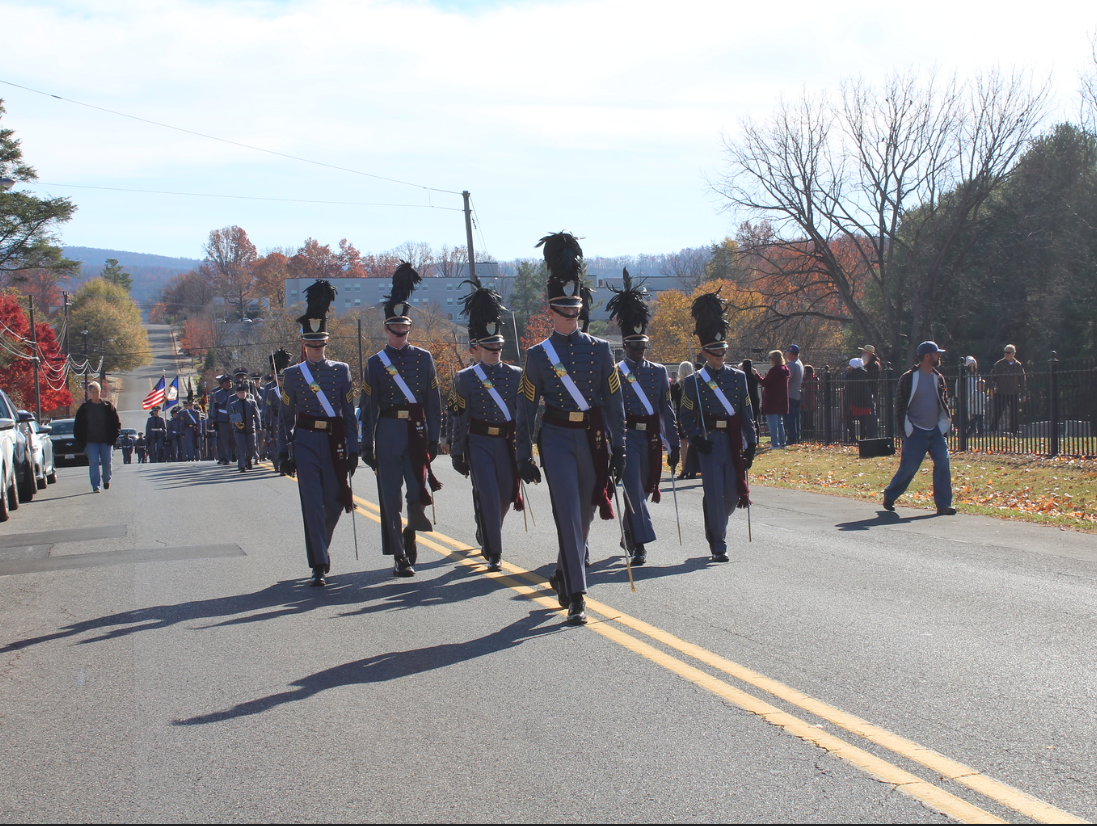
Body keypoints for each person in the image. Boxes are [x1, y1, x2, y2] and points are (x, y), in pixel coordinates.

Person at [516, 232, 625, 625]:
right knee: (565, 510)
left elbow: (612, 401)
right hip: (557, 438)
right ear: (551, 310)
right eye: (564, 310)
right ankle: (578, 594)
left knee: (584, 515)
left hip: (591, 439)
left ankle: (564, 572)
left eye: (575, 309)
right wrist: (523, 452)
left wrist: (621, 446)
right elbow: (526, 406)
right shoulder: (537, 355)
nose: (571, 316)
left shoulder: (599, 350)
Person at [359, 263, 442, 578]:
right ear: (386, 330)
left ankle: (410, 531)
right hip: (389, 431)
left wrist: (434, 438)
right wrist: (366, 444)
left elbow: (433, 403)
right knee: (390, 496)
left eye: (404, 331)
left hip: (417, 433)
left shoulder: (423, 358)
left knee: (415, 494)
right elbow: (368, 408)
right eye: (395, 332)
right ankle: (398, 555)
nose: (400, 336)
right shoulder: (375, 363)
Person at [278, 280, 360, 587]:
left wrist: (354, 447)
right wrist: (284, 452)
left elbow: (349, 414)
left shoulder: (341, 371)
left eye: (320, 345)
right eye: (311, 345)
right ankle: (318, 563)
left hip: (335, 441)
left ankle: (320, 547)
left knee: (336, 501)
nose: (316, 349)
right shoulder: (292, 375)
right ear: (304, 345)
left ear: (326, 344)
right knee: (311, 502)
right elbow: (284, 418)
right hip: (306, 442)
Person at [449, 274, 523, 573]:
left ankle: (487, 528)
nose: (496, 350)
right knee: (489, 495)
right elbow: (458, 417)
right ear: (478, 346)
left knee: (505, 493)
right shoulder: (465, 378)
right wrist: (457, 450)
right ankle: (494, 550)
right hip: (479, 442)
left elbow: (523, 415)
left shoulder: (516, 374)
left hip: (506, 443)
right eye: (490, 346)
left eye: (498, 345)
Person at [607, 269, 679, 566]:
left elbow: (666, 410)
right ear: (624, 345)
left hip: (650, 438)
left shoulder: (658, 372)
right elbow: (608, 410)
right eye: (634, 345)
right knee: (634, 490)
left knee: (646, 488)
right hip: (626, 437)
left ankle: (629, 534)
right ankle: (641, 545)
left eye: (643, 345)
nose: (639, 350)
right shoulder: (615, 372)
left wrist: (673, 446)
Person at [680, 292, 757, 562]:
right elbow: (686, 416)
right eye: (715, 353)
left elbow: (746, 412)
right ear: (704, 353)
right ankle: (719, 544)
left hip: (733, 441)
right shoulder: (694, 382)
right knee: (713, 493)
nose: (720, 357)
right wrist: (696, 438)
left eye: (723, 352)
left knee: (733, 493)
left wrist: (753, 443)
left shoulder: (738, 378)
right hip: (710, 441)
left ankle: (715, 527)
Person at [882, 341, 955, 515]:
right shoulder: (908, 377)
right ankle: (890, 494)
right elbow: (899, 405)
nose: (939, 357)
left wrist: (943, 425)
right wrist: (906, 430)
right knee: (909, 467)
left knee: (943, 464)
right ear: (927, 356)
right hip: (916, 431)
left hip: (935, 431)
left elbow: (942, 402)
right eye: (936, 354)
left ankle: (943, 504)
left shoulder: (938, 378)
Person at [73, 381, 121, 493]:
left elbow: (116, 423)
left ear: (100, 392)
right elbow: (78, 426)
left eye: (97, 392)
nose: (95, 394)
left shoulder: (108, 407)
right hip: (91, 441)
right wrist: (81, 441)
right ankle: (96, 485)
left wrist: (114, 437)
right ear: (89, 393)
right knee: (94, 462)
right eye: (93, 392)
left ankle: (106, 480)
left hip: (106, 441)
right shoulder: (85, 408)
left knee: (107, 462)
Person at [755, 350, 790, 449]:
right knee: (780, 422)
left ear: (774, 359)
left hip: (772, 400)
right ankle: (782, 442)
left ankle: (775, 443)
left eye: (770, 359)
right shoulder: (785, 369)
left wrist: (756, 374)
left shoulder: (774, 370)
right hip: (781, 400)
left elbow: (764, 383)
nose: (770, 360)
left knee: (772, 423)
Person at [990, 344, 1026, 434]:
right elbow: (992, 378)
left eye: (1008, 352)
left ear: (1013, 353)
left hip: (1013, 392)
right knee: (997, 412)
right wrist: (991, 389)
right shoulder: (999, 364)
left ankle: (1014, 432)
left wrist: (1024, 393)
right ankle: (992, 431)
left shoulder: (1018, 365)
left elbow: (1022, 380)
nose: (1006, 354)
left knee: (1014, 413)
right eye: (1005, 352)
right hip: (1001, 392)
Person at [265, 350, 292, 472]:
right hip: (276, 417)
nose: (281, 382)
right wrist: (267, 422)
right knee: (277, 441)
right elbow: (268, 408)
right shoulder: (272, 391)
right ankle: (278, 464)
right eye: (279, 379)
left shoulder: (289, 390)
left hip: (288, 417)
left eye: (283, 380)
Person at [229, 381, 262, 472]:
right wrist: (236, 424)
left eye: (243, 392)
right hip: (239, 430)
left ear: (246, 393)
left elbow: (257, 415)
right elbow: (232, 416)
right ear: (237, 394)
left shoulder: (252, 403)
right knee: (241, 448)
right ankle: (242, 465)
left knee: (252, 448)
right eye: (239, 393)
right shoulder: (233, 404)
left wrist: (258, 426)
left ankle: (248, 459)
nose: (241, 394)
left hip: (250, 428)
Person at [675, 361, 700, 480]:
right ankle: (693, 468)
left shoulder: (677, 386)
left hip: (682, 415)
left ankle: (685, 468)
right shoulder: (695, 383)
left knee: (683, 443)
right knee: (693, 443)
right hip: (694, 415)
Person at [846, 357, 874, 440]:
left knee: (849, 419)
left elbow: (852, 389)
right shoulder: (864, 374)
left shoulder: (852, 375)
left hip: (854, 400)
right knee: (862, 420)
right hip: (864, 400)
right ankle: (862, 437)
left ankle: (853, 437)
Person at [958, 356, 986, 437]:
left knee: (976, 420)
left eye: (974, 366)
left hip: (976, 402)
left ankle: (977, 433)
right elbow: (958, 388)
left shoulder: (977, 377)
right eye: (971, 366)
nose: (972, 368)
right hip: (966, 400)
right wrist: (961, 399)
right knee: (967, 418)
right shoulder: (964, 376)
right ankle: (964, 433)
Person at [211, 374, 236, 465]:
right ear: (222, 384)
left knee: (233, 439)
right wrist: (214, 420)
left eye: (229, 382)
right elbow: (215, 408)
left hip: (233, 418)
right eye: (226, 382)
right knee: (224, 440)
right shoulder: (217, 394)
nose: (228, 384)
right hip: (222, 419)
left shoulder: (234, 392)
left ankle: (233, 454)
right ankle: (225, 457)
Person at [785, 344, 803, 444]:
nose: (787, 354)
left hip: (790, 395)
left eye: (788, 352)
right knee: (796, 418)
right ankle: (797, 437)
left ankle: (792, 438)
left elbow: (787, 379)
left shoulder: (792, 365)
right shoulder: (799, 363)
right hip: (797, 394)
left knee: (790, 418)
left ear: (791, 353)